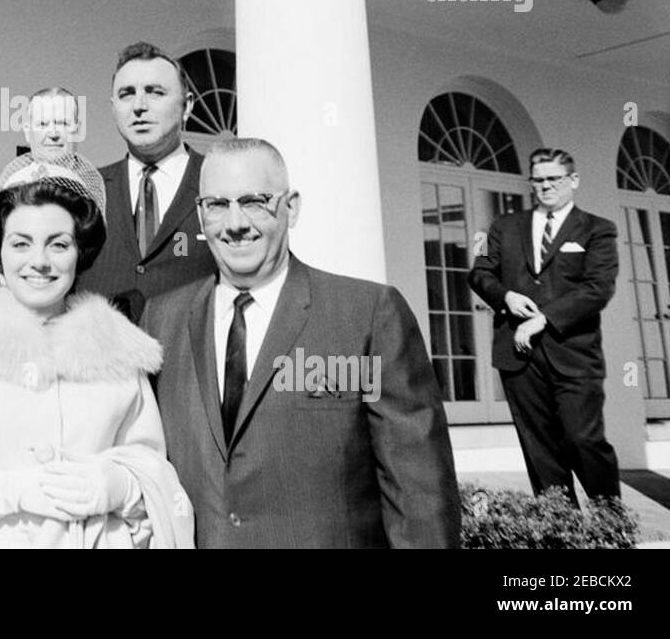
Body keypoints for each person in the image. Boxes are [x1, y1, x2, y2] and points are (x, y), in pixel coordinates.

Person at [143, 138, 460, 548]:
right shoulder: (161, 321)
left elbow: (418, 490)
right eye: (217, 205)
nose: (234, 222)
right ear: (201, 215)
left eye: (255, 201)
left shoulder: (365, 315)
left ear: (291, 208)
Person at [0, 153, 194, 549]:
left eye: (58, 244)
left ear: (80, 252)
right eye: (21, 244)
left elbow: (156, 480)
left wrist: (118, 486)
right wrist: (10, 491)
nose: (40, 262)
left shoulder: (120, 358)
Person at [468, 147, 620, 503]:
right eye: (538, 180)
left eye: (554, 179)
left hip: (574, 354)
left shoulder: (596, 229)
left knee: (584, 440)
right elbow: (480, 272)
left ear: (573, 181)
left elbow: (598, 288)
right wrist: (505, 297)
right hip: (518, 357)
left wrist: (544, 319)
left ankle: (611, 526)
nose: (546, 186)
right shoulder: (505, 226)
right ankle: (559, 530)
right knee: (540, 450)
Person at [78, 42, 216, 324]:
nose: (139, 106)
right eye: (127, 94)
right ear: (113, 107)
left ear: (187, 105)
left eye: (155, 92)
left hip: (192, 361)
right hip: (99, 363)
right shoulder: (84, 189)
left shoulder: (218, 182)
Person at [22, 86, 83, 160]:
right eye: (43, 124)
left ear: (77, 131)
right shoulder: (14, 171)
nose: (53, 134)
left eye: (63, 123)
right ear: (27, 131)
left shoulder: (94, 171)